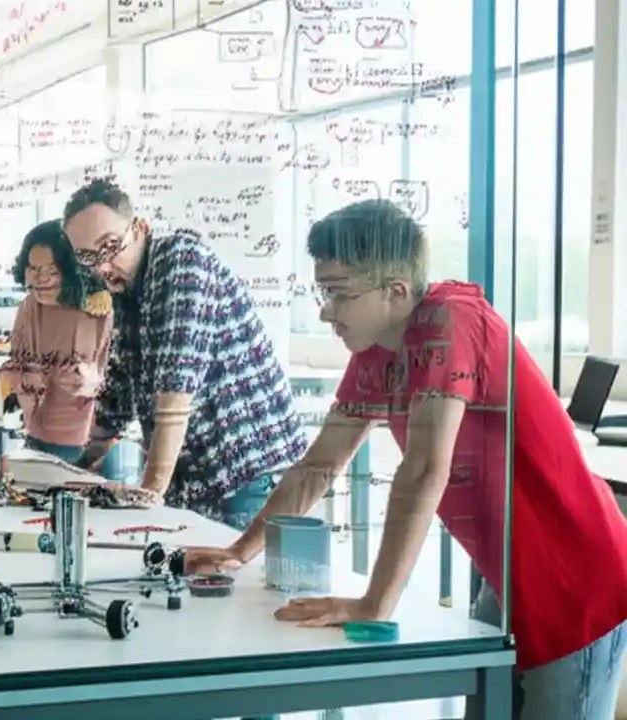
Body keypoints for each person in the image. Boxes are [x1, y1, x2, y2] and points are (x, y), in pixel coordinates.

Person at [185, 199, 627, 719]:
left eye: (339, 293)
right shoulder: (374, 351)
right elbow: (317, 467)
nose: (326, 310)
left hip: (575, 578)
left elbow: (422, 468)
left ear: (395, 291)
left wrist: (376, 603)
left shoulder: (451, 321)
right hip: (505, 574)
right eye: (322, 291)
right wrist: (242, 550)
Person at [61, 178, 305, 527]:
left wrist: (147, 500)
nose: (101, 266)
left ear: (141, 229)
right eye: (87, 256)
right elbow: (118, 392)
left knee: (228, 577)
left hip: (248, 473)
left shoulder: (182, 264)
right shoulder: (128, 289)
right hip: (197, 479)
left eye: (111, 245)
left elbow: (176, 393)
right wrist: (73, 466)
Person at [0, 219, 113, 464]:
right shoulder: (29, 306)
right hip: (33, 436)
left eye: (51, 270)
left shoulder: (96, 309)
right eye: (33, 268)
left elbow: (99, 383)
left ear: (72, 271)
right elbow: (17, 367)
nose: (41, 279)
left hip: (83, 447)